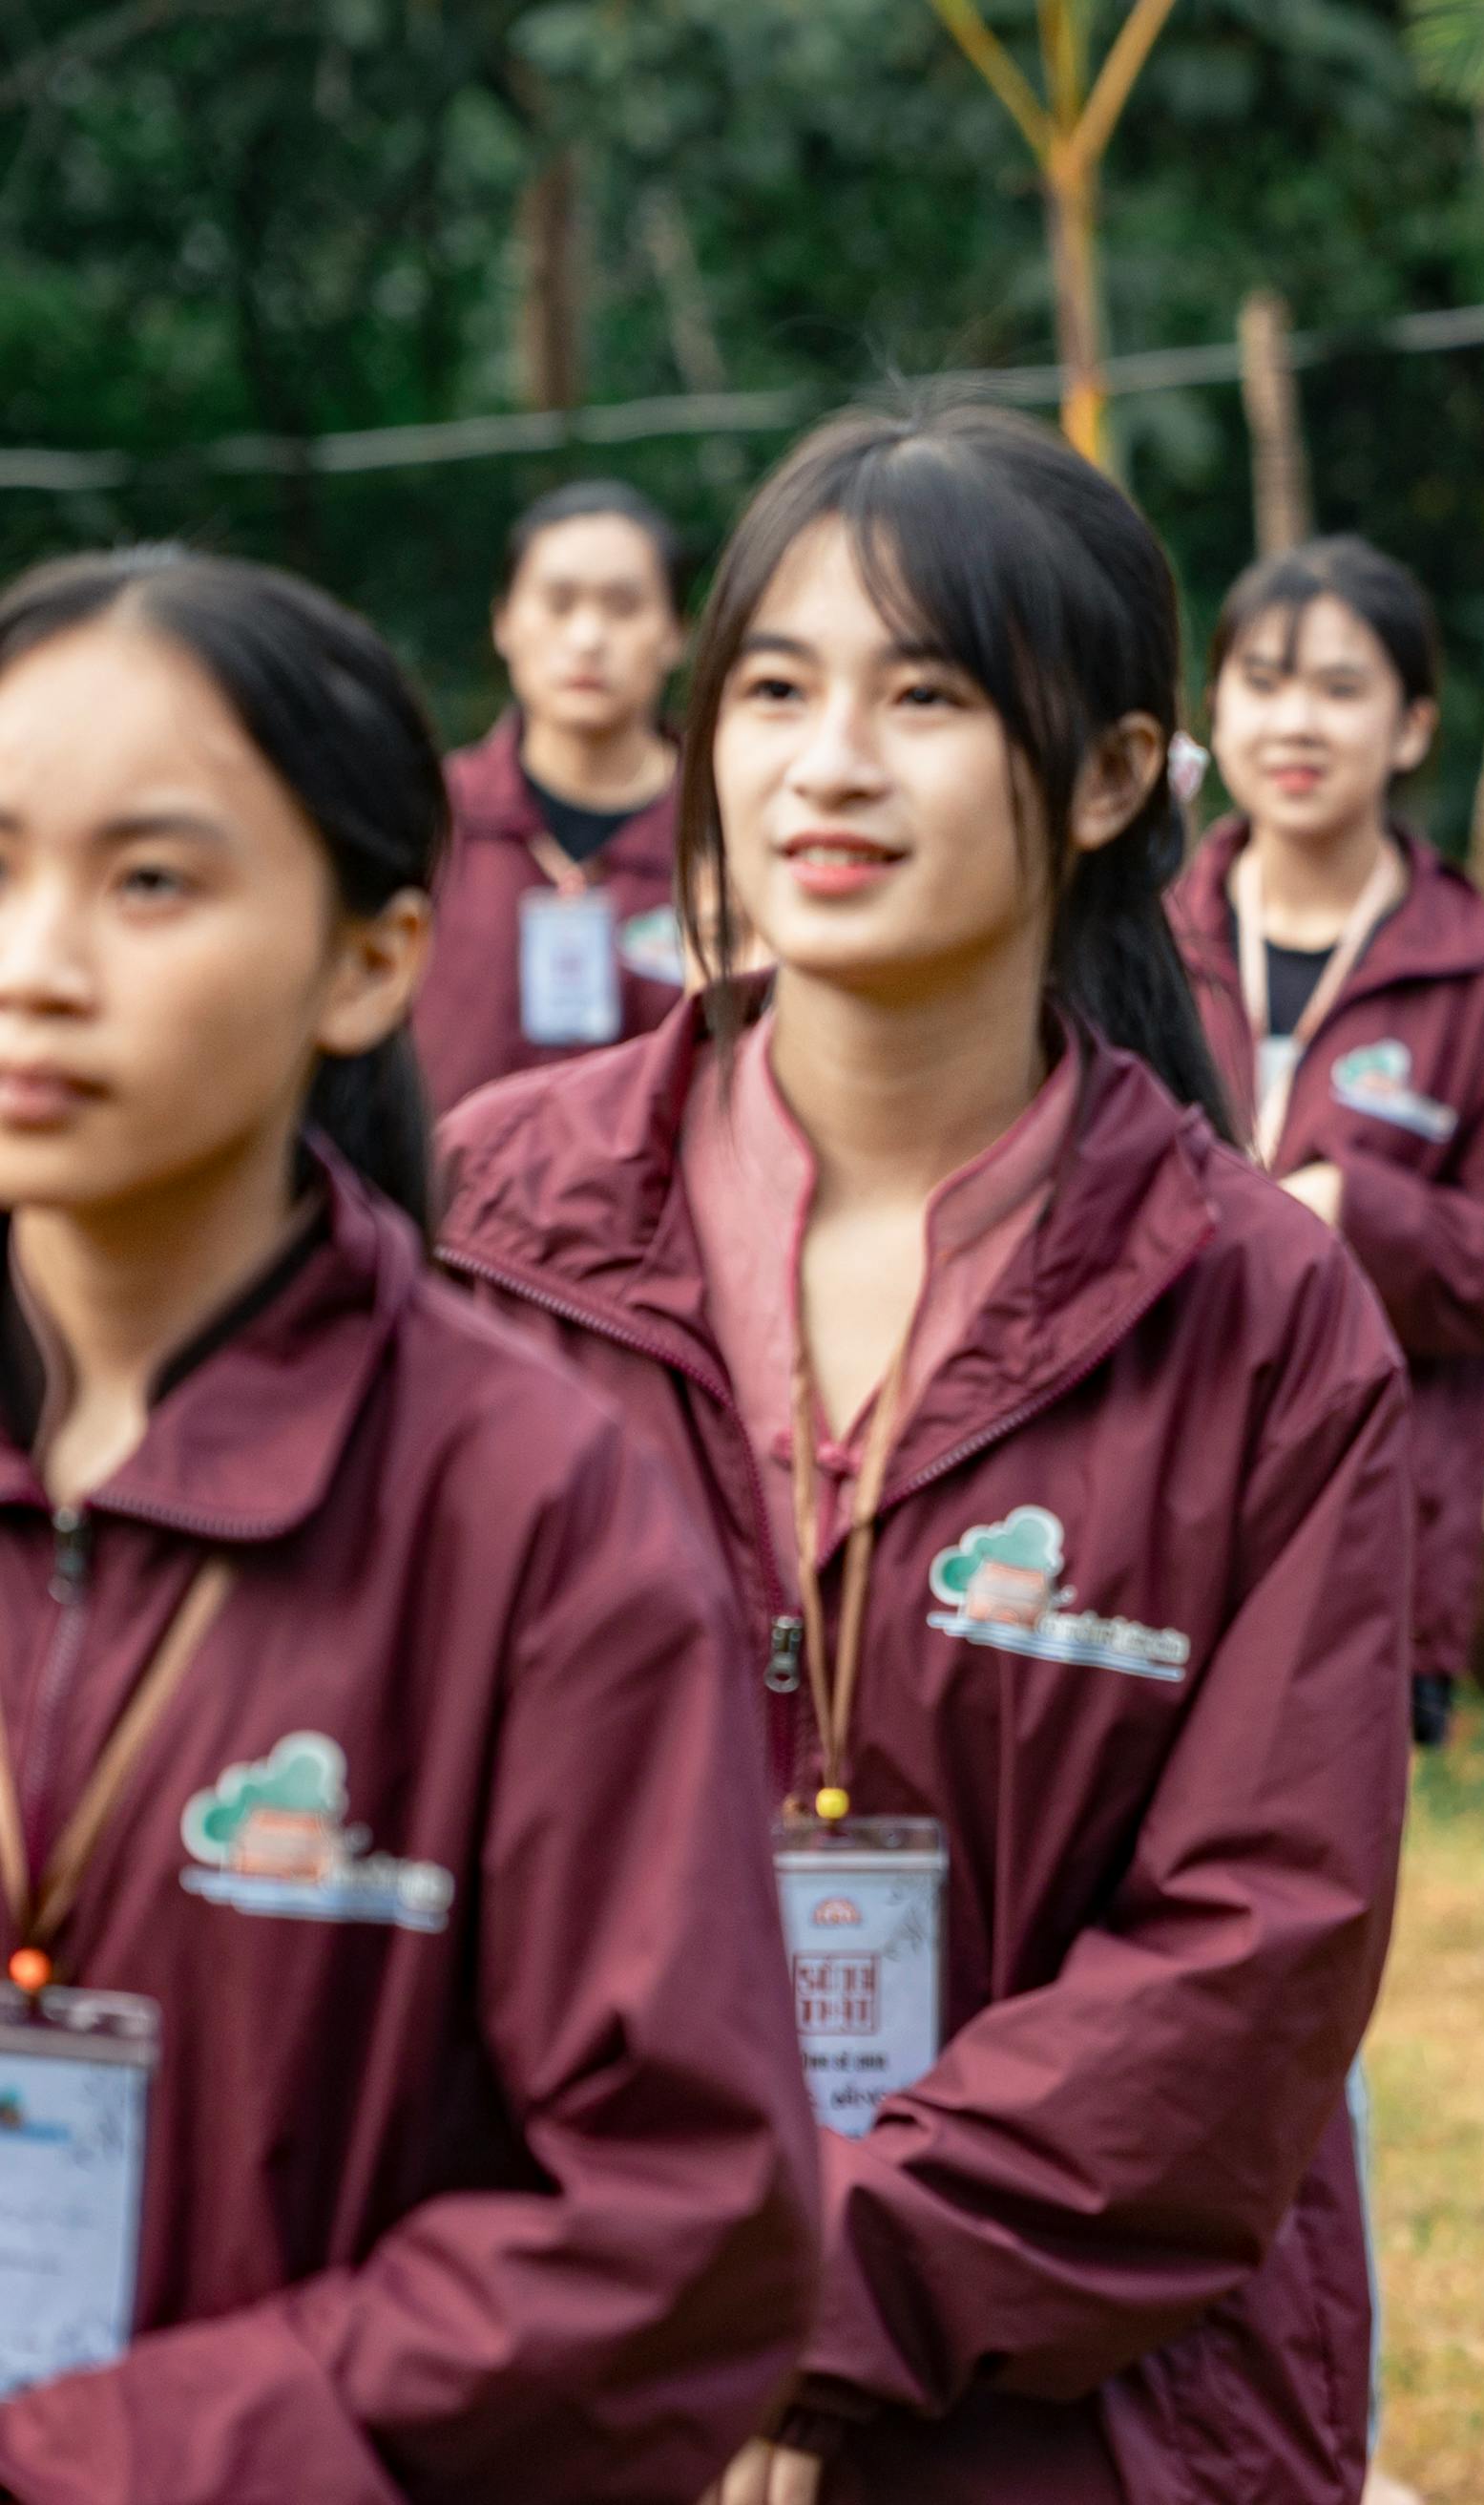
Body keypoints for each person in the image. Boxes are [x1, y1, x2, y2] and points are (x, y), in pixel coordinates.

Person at [433, 405, 1416, 2505]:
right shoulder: (488, 1229)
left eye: (929, 695)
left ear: (1113, 776)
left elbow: (1250, 1954)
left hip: (1083, 2422)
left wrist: (799, 2307)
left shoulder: (1255, 1309)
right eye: (775, 688)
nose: (829, 762)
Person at [0, 547, 816, 2499]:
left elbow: (675, 2219)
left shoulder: (531, 1509)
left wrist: (115, 2458)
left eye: (151, 881)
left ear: (370, 961)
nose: (36, 955)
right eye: (1, 860)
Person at [1171, 535, 1484, 1751]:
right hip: (1150, 1507)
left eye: (1340, 689)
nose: (1296, 723)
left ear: (1410, 728)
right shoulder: (1137, 942)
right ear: (1215, 712)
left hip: (1369, 1520)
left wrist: (1357, 1207)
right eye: (1263, 682)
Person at [410, 479, 694, 1109]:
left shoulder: (731, 833)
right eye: (558, 604)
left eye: (623, 607)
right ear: (505, 623)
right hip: (447, 1204)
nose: (588, 636)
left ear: (676, 633)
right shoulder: (423, 815)